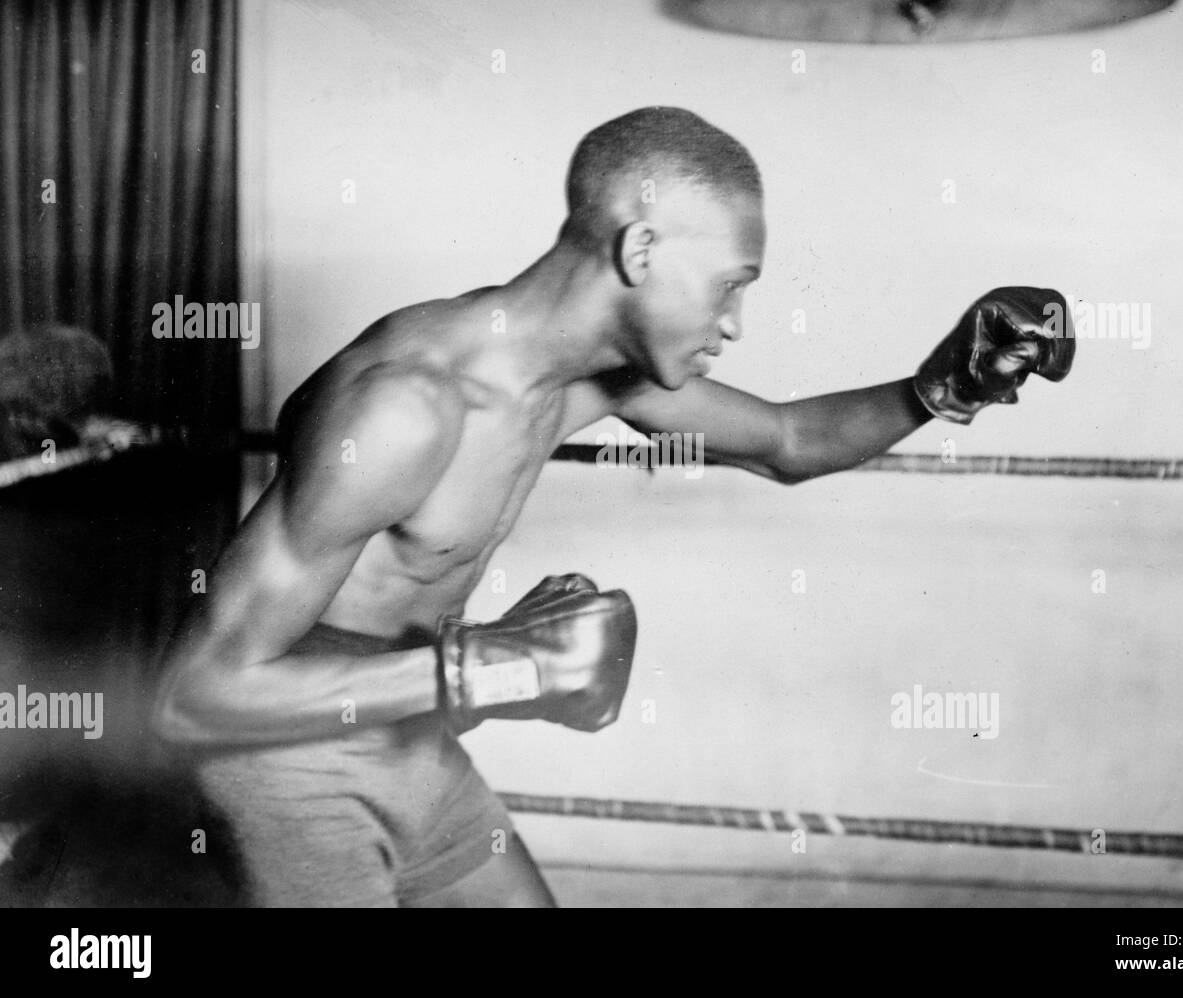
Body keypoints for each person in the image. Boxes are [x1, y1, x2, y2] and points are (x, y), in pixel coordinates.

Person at [151, 106, 1073, 907]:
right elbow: (191, 699)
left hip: (413, 739)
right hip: (287, 767)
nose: (735, 325)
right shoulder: (407, 404)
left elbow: (790, 444)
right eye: (730, 286)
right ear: (640, 249)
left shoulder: (586, 380)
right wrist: (496, 669)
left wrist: (944, 385)